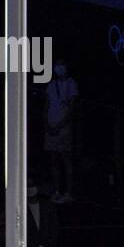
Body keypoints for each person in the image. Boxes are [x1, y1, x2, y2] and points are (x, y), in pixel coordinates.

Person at [44, 63, 77, 203]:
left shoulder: (72, 84)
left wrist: (60, 125)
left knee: (66, 159)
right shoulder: (51, 85)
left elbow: (72, 108)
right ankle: (57, 191)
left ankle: (69, 192)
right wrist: (47, 124)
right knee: (54, 160)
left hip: (63, 128)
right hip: (51, 126)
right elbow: (46, 105)